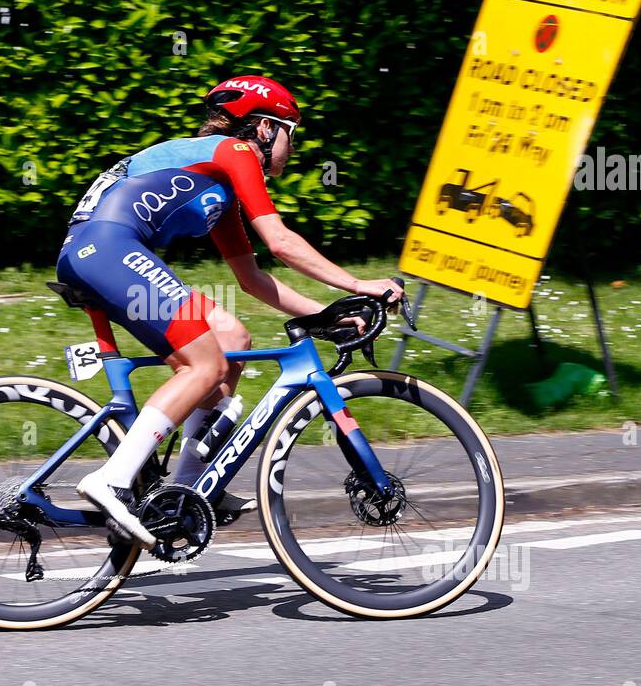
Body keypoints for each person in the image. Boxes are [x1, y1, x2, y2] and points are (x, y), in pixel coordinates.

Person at [56, 75, 402, 545]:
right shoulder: (234, 154)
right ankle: (112, 479)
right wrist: (362, 284)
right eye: (290, 133)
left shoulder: (214, 182)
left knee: (232, 338)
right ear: (263, 129)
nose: (292, 147)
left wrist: (329, 316)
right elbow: (279, 242)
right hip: (106, 246)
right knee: (206, 364)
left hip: (97, 249)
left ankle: (187, 490)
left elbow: (253, 279)